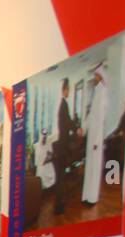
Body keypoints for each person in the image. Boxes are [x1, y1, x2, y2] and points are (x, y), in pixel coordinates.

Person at [82, 63, 108, 206]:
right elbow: (91, 116)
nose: (94, 77)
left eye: (96, 74)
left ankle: (92, 198)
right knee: (89, 168)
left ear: (100, 75)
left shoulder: (103, 93)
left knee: (95, 168)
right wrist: (85, 128)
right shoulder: (97, 91)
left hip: (96, 140)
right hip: (91, 137)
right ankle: (87, 196)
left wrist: (97, 141)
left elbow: (100, 120)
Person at [56, 78, 74, 215]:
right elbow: (68, 123)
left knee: (61, 177)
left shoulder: (63, 105)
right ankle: (59, 206)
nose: (69, 92)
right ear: (65, 90)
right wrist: (76, 127)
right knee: (61, 178)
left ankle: (60, 204)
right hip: (62, 147)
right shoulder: (64, 105)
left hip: (62, 146)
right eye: (68, 89)